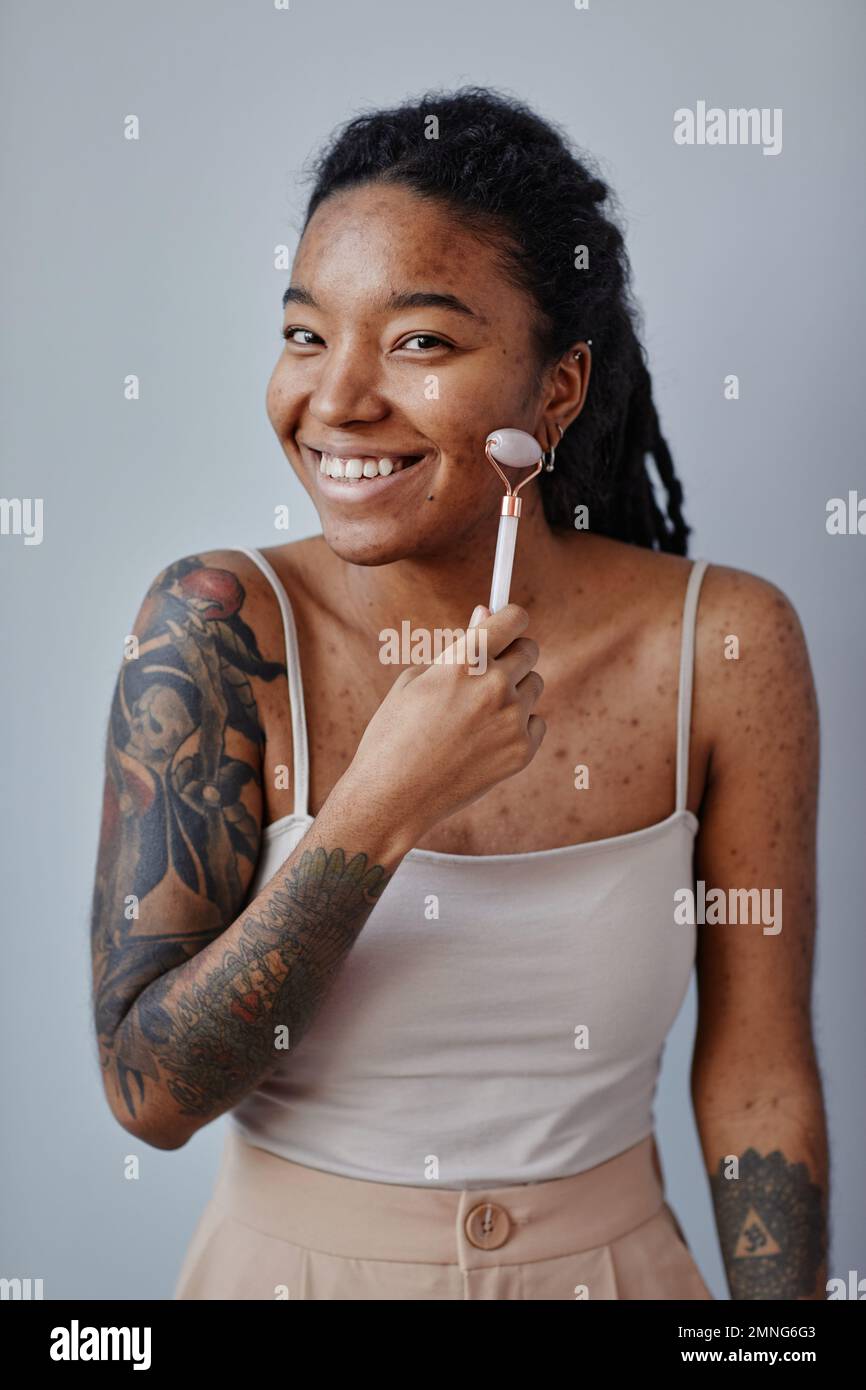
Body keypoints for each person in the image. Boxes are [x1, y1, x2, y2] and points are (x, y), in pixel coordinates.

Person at [90, 87, 828, 1301]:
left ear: (555, 390)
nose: (335, 400)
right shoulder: (212, 630)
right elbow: (151, 1095)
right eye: (305, 333)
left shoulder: (725, 643)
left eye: (420, 341)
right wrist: (380, 806)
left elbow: (755, 1069)